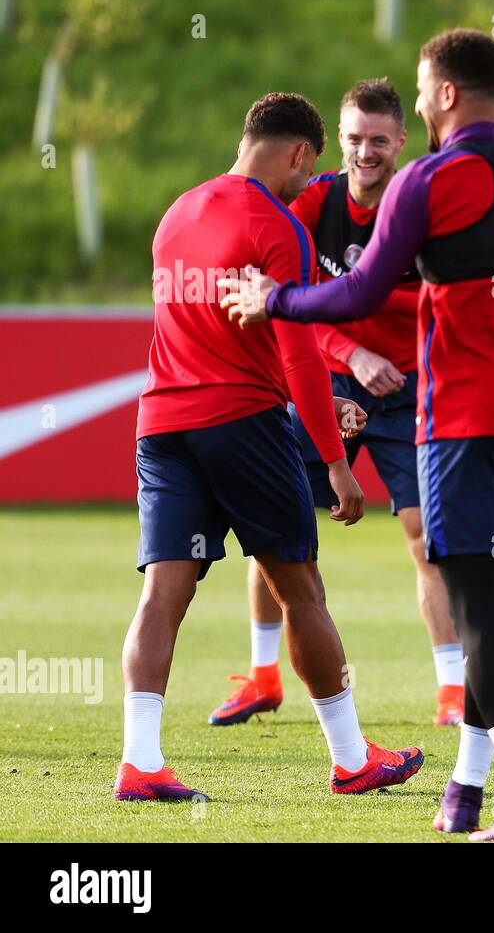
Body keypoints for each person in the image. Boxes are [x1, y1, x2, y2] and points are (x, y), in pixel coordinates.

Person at [220, 31, 494, 840]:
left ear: (447, 94)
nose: (417, 103)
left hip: (459, 425)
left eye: (421, 90)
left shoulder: (427, 181)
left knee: (479, 617)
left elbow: (357, 293)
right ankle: (466, 793)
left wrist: (275, 301)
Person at [119, 92, 422, 803]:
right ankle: (351, 759)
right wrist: (338, 464)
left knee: (162, 593)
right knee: (300, 588)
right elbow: (300, 357)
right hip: (242, 424)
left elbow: (206, 328)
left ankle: (140, 761)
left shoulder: (176, 214)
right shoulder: (276, 226)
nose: (303, 182)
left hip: (162, 423)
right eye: (306, 167)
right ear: (297, 154)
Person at [208, 78, 465, 731]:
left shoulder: (420, 205)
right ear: (337, 144)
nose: (364, 151)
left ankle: (452, 690)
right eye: (353, 139)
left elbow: (453, 305)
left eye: (378, 140)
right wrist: (348, 364)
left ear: (401, 142)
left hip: (410, 387)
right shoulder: (311, 203)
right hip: (325, 380)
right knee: (275, 531)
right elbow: (275, 301)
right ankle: (263, 676)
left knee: (425, 540)